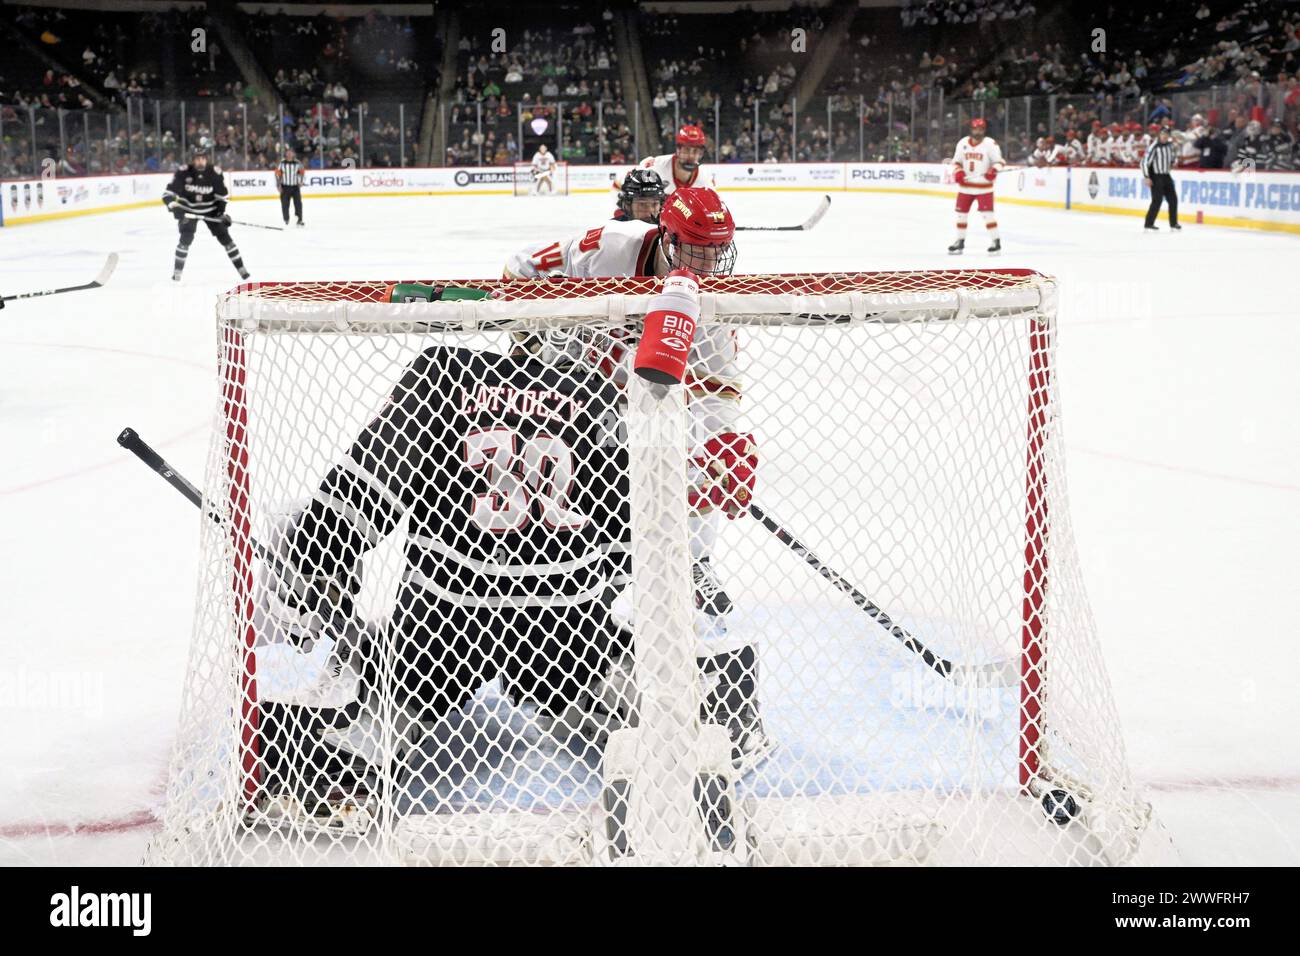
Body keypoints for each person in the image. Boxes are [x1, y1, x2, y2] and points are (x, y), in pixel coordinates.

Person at [256, 290, 636, 826]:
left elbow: (366, 490)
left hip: (447, 621)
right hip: (564, 623)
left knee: (384, 674)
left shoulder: (441, 372)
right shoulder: (598, 391)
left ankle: (349, 750)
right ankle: (639, 704)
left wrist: (316, 559)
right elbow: (624, 532)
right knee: (612, 664)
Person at [500, 187, 769, 770]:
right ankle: (571, 635)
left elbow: (719, 393)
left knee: (693, 476)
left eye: (715, 252)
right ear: (665, 238)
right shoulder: (610, 246)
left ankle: (691, 565)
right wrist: (527, 352)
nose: (705, 267)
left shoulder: (714, 307)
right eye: (694, 252)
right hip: (559, 399)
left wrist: (721, 452)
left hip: (631, 410)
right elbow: (522, 266)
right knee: (565, 527)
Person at [162, 141, 249, 282]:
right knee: (185, 239)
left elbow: (222, 196)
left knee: (226, 239)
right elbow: (168, 194)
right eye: (197, 158)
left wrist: (221, 214)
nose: (200, 161)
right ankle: (177, 272)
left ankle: (241, 269)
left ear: (206, 159)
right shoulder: (183, 172)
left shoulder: (215, 173)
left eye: (202, 158)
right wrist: (174, 207)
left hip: (211, 211)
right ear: (193, 160)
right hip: (188, 210)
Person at [611, 124, 716, 198]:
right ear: (678, 150)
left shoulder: (705, 178)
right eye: (687, 150)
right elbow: (618, 184)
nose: (691, 156)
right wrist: (621, 215)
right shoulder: (655, 167)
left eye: (696, 151)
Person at [948, 117, 1004, 255]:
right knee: (961, 215)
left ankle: (995, 241)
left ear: (984, 130)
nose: (977, 132)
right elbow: (956, 162)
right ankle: (960, 241)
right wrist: (959, 171)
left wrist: (993, 170)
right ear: (971, 129)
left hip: (984, 187)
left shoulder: (990, 144)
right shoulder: (962, 143)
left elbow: (999, 161)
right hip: (965, 187)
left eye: (980, 129)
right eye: (975, 129)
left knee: (987, 215)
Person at [1141, 126, 1180, 231]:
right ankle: (1149, 223)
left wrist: (1174, 162)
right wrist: (1147, 177)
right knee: (1157, 200)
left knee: (1173, 199)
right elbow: (1144, 162)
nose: (1165, 136)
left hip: (1166, 175)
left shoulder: (1170, 146)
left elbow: (1173, 157)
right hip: (1156, 176)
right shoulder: (1154, 146)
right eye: (1163, 134)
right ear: (1159, 134)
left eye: (1167, 134)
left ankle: (1174, 223)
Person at [276, 147, 305, 226]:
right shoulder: (282, 163)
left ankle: (299, 219)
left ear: (293, 154)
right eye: (288, 152)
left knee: (298, 203)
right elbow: (277, 174)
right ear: (285, 154)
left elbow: (302, 172)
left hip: (295, 187)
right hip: (285, 187)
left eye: (291, 152)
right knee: (285, 204)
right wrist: (278, 185)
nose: (289, 154)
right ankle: (286, 218)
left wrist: (301, 181)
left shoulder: (298, 163)